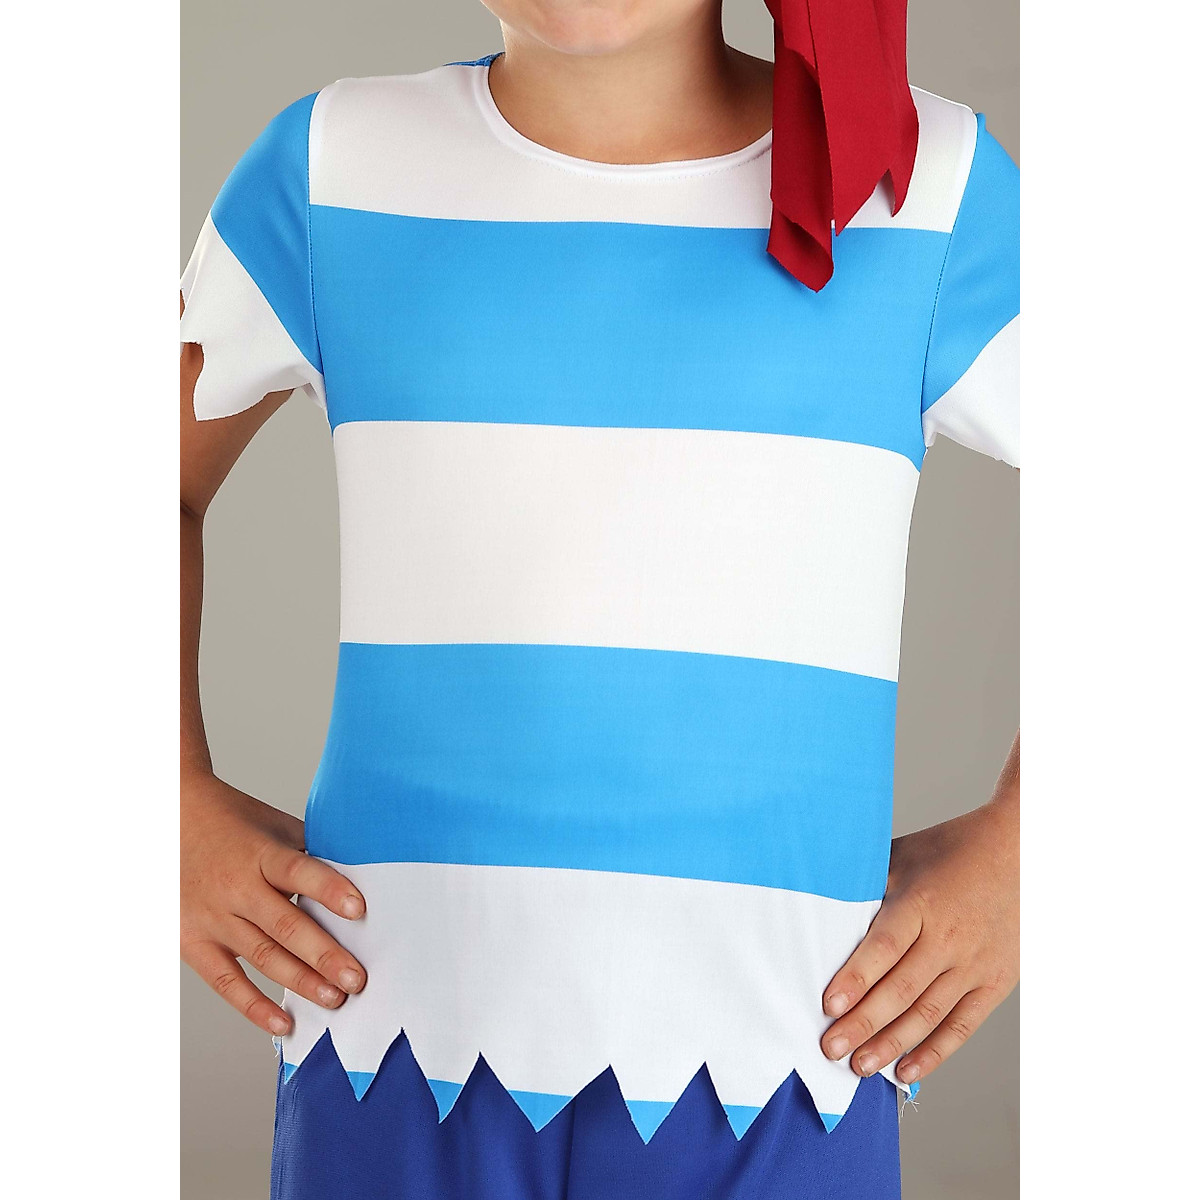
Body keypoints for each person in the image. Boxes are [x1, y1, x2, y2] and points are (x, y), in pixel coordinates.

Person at [180, 1, 1019, 1196]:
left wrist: (1033, 847)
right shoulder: (329, 166)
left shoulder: (931, 188)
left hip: (784, 1057)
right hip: (394, 1042)